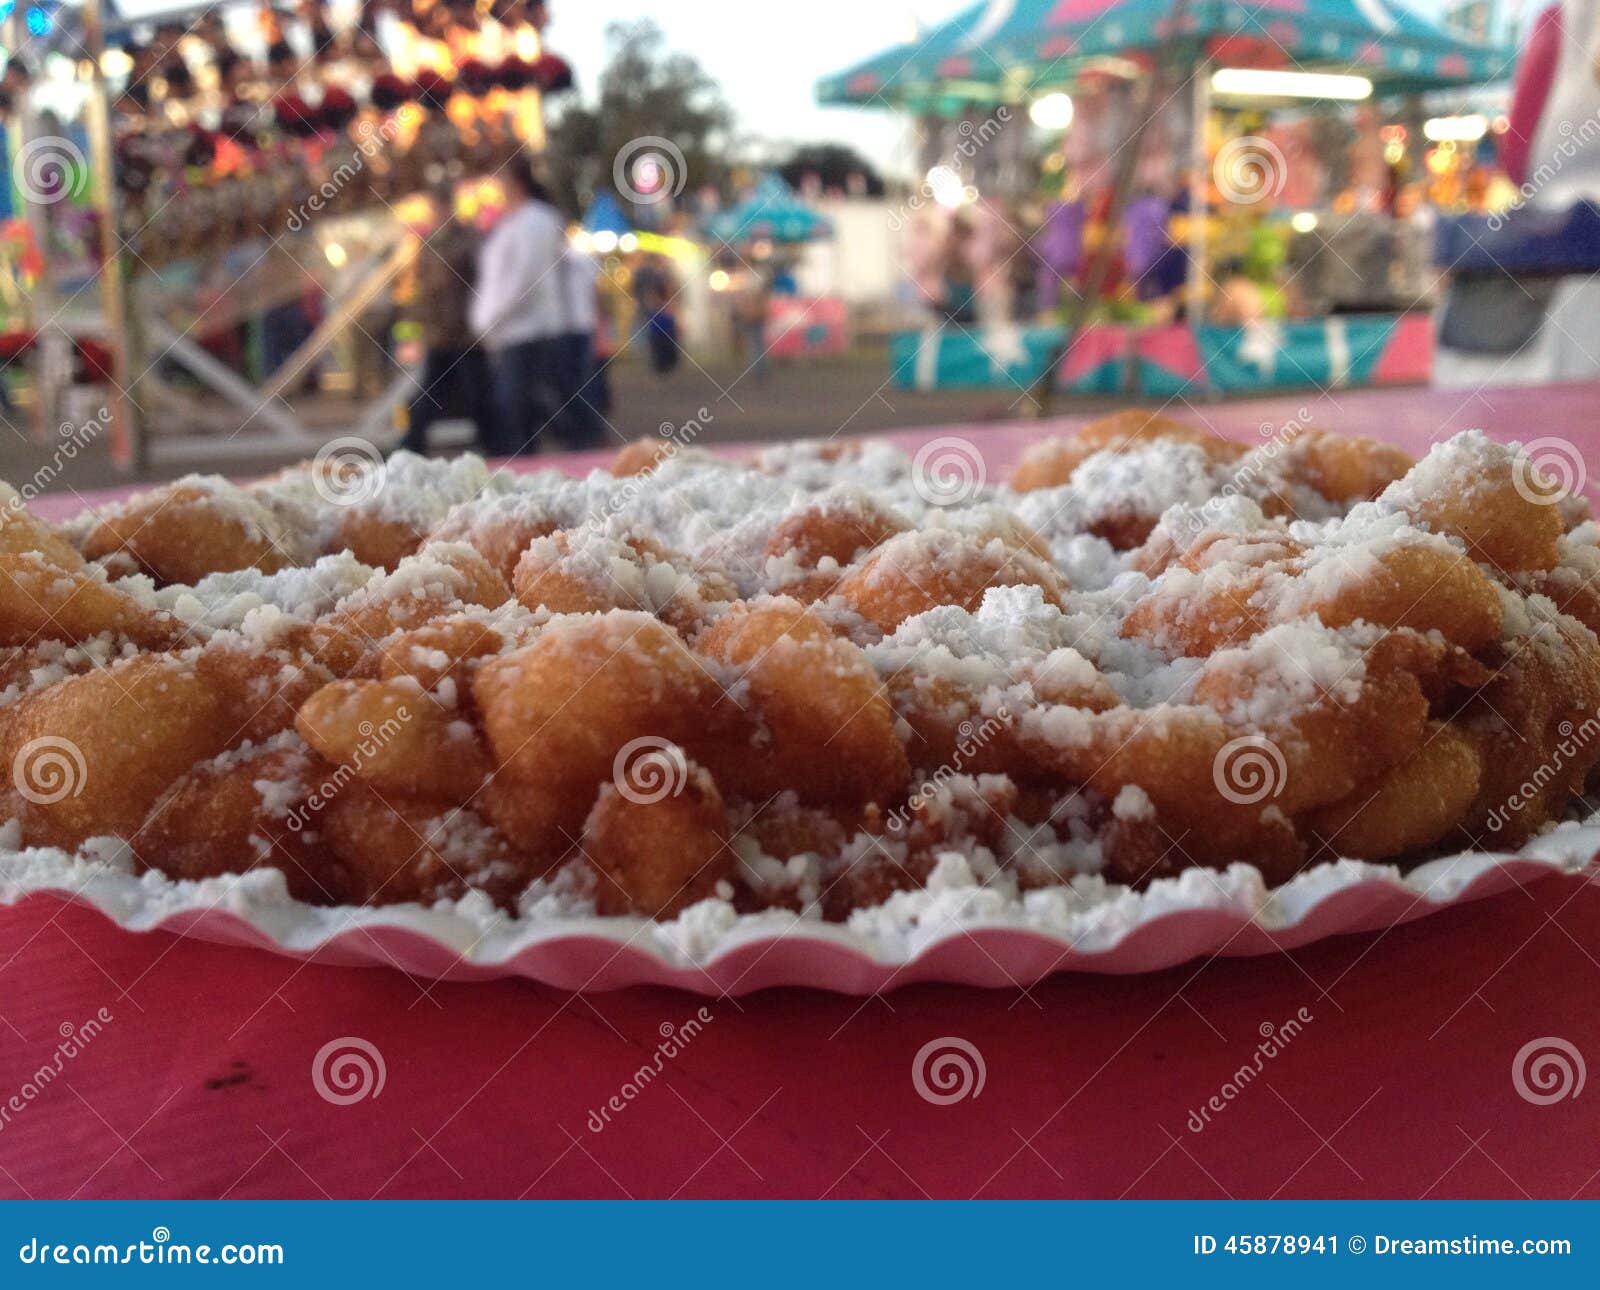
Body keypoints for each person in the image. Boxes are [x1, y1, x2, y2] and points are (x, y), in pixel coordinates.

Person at [468, 158, 567, 454]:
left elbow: (524, 278)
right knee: (515, 407)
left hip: (527, 329)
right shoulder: (512, 222)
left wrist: (492, 317)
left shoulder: (535, 220)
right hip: (510, 330)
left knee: (519, 407)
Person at [399, 184, 494, 454]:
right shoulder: (428, 243)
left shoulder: (470, 239)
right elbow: (422, 288)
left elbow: (482, 282)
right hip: (439, 335)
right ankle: (411, 446)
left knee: (479, 396)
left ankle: (497, 446)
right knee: (427, 397)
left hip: (466, 335)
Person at [551, 239, 605, 449]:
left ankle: (585, 431)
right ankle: (584, 430)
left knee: (580, 381)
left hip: (575, 327)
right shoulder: (581, 258)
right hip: (573, 326)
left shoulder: (577, 258)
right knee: (581, 381)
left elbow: (594, 293)